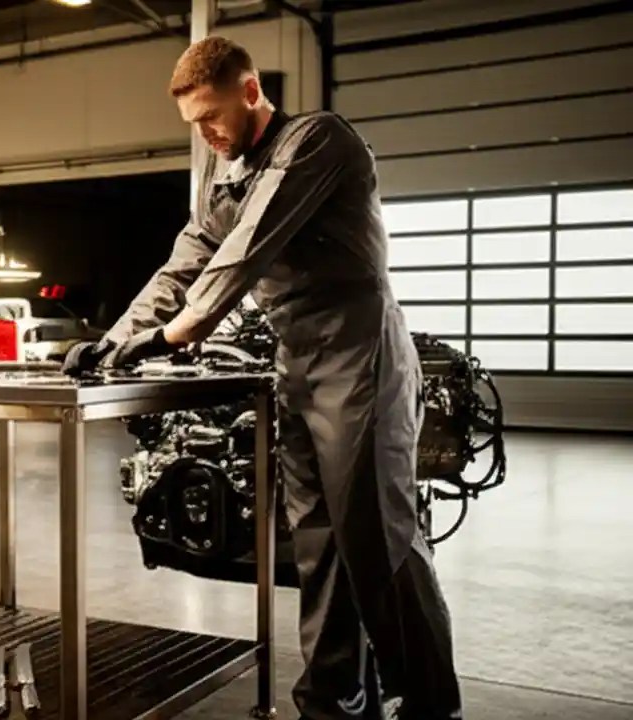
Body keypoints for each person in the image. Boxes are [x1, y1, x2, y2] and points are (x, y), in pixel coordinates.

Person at [62, 36, 463, 720]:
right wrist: (113, 342)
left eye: (211, 115)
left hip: (360, 354)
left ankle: (429, 701)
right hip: (296, 363)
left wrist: (175, 334)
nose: (206, 133)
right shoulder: (226, 178)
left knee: (377, 532)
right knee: (318, 543)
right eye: (193, 123)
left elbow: (242, 254)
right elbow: (184, 264)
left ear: (250, 92)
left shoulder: (317, 142)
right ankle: (332, 699)